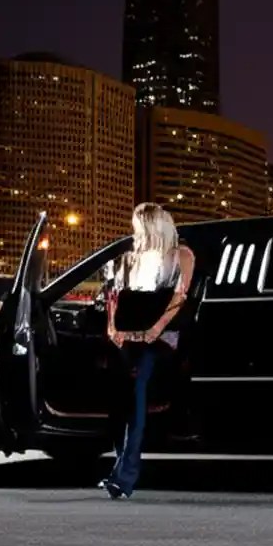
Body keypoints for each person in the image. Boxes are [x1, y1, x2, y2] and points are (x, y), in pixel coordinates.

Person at [101, 202, 195, 499]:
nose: (136, 231)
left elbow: (180, 297)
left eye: (140, 225)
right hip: (127, 338)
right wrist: (112, 328)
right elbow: (113, 296)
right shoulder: (130, 258)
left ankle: (124, 478)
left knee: (136, 400)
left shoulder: (181, 255)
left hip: (160, 341)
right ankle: (119, 470)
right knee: (120, 405)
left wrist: (157, 328)